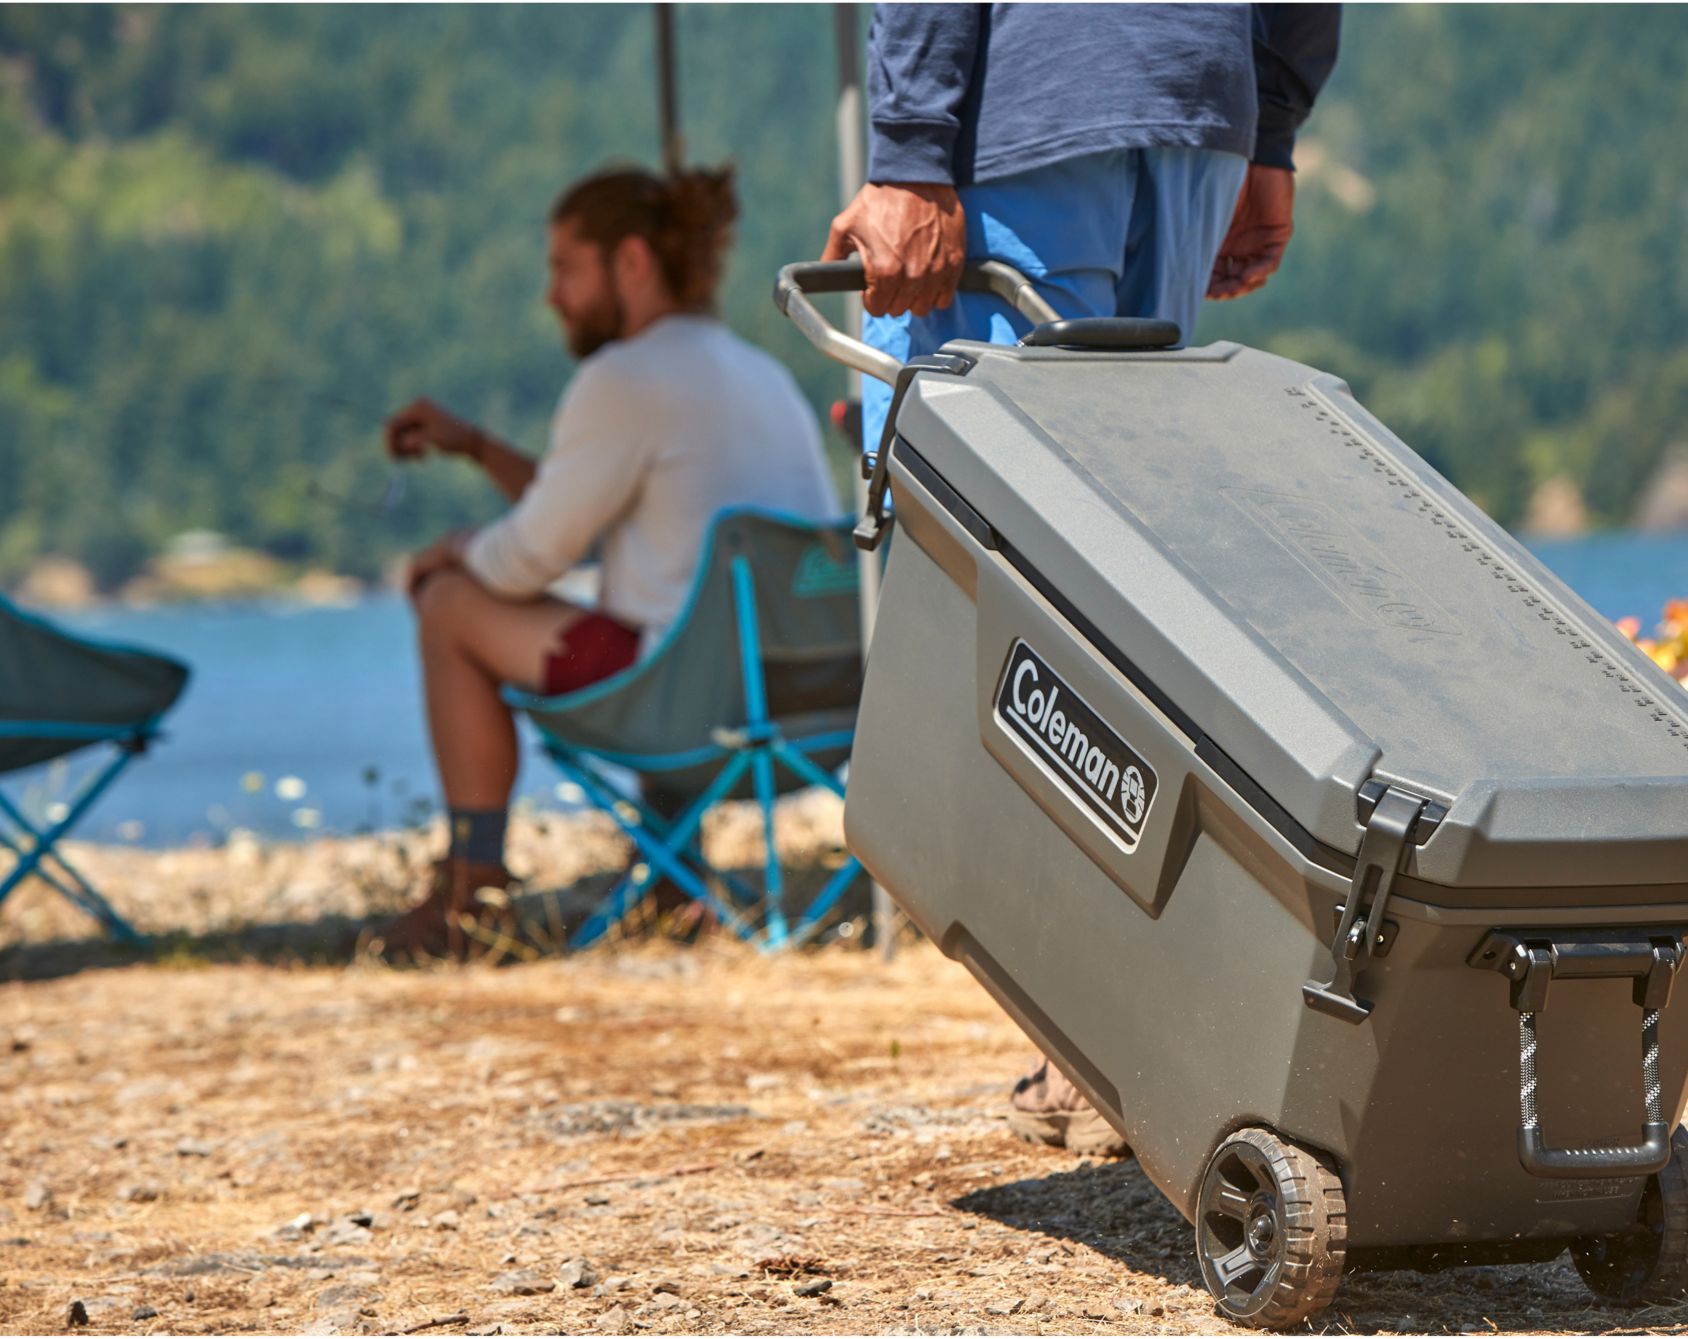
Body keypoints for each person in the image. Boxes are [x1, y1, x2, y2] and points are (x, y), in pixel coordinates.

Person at [822, 2, 1341, 1153]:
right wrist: (1267, 130)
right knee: (1135, 562)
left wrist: (908, 153)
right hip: (1193, 95)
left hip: (1033, 99)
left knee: (1009, 570)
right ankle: (1136, 1012)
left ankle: (1090, 1036)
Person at [366, 165, 841, 961]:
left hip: (685, 711)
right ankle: (668, 874)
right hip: (804, 710)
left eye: (563, 267)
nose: (552, 294)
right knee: (663, 612)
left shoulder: (624, 377)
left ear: (630, 262)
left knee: (450, 603)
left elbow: (524, 561)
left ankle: (470, 899)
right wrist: (479, 447)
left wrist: (448, 554)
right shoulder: (765, 377)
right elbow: (580, 510)